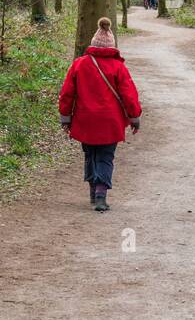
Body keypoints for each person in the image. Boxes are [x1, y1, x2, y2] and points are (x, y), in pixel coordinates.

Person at [58, 16, 141, 212]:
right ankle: (101, 195)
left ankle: (93, 190)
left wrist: (66, 117)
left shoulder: (79, 64)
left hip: (85, 119)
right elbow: (129, 95)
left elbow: (67, 93)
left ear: (93, 44)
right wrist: (135, 117)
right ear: (112, 46)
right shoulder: (118, 67)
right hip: (109, 121)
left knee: (90, 154)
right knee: (105, 156)